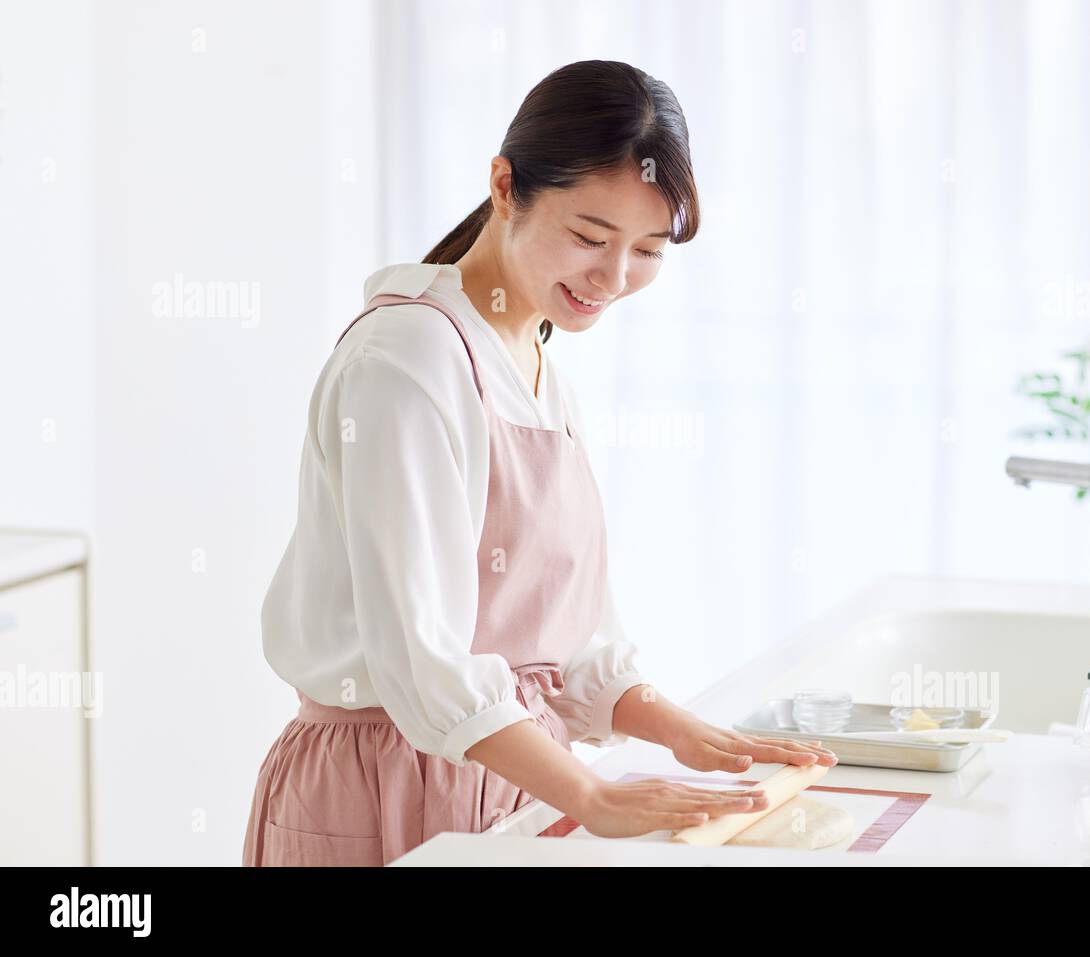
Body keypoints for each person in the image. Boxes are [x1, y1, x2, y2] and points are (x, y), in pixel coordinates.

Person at [242, 59, 834, 867]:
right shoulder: (408, 358)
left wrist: (683, 730)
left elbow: (566, 640)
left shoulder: (533, 357)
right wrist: (589, 792)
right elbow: (423, 660)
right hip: (386, 782)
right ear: (504, 185)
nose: (614, 277)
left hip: (513, 778)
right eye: (589, 237)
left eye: (648, 251)